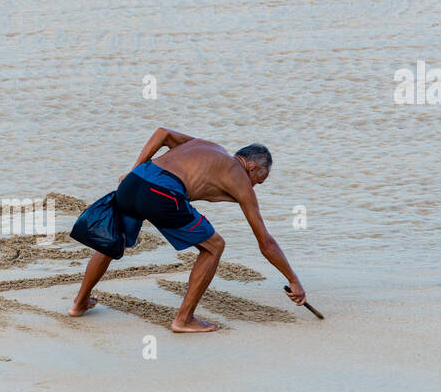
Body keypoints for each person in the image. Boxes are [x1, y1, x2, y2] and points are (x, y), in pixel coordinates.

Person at [68, 128, 307, 332]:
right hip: (161, 193)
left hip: (134, 181)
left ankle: (79, 303)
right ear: (253, 168)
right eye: (259, 180)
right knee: (214, 246)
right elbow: (265, 242)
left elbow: (163, 133)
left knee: (111, 239)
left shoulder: (208, 147)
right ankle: (184, 320)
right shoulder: (241, 178)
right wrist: (293, 280)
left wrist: (134, 169)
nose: (255, 186)